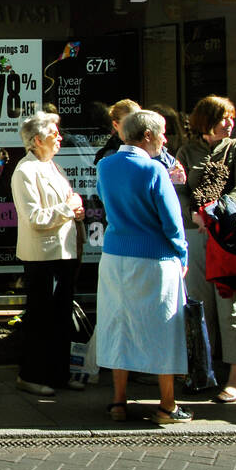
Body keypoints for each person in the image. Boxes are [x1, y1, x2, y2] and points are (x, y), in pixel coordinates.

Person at [96, 110, 192, 423]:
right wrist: (183, 254)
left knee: (118, 324)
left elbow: (105, 202)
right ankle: (167, 404)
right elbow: (172, 222)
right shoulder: (154, 171)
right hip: (155, 258)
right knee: (163, 328)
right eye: (162, 133)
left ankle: (117, 402)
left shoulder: (105, 166)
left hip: (114, 256)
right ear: (147, 135)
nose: (166, 139)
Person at [176, 95, 236, 403]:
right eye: (223, 117)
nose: (230, 123)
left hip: (229, 235)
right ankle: (201, 372)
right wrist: (191, 213)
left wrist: (213, 214)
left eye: (232, 117)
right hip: (196, 235)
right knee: (197, 303)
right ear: (206, 120)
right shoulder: (187, 150)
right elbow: (180, 189)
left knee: (233, 304)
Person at [11, 111, 86, 396]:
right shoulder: (25, 171)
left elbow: (65, 205)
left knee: (60, 316)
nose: (60, 138)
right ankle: (30, 374)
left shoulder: (51, 165)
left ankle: (58, 373)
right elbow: (34, 218)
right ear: (38, 140)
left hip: (64, 253)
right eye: (55, 134)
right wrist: (69, 209)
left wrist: (75, 211)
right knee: (41, 317)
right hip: (43, 257)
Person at [92, 98, 141, 164]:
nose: (134, 127)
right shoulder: (111, 154)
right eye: (128, 123)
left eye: (138, 121)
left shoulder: (149, 143)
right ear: (115, 125)